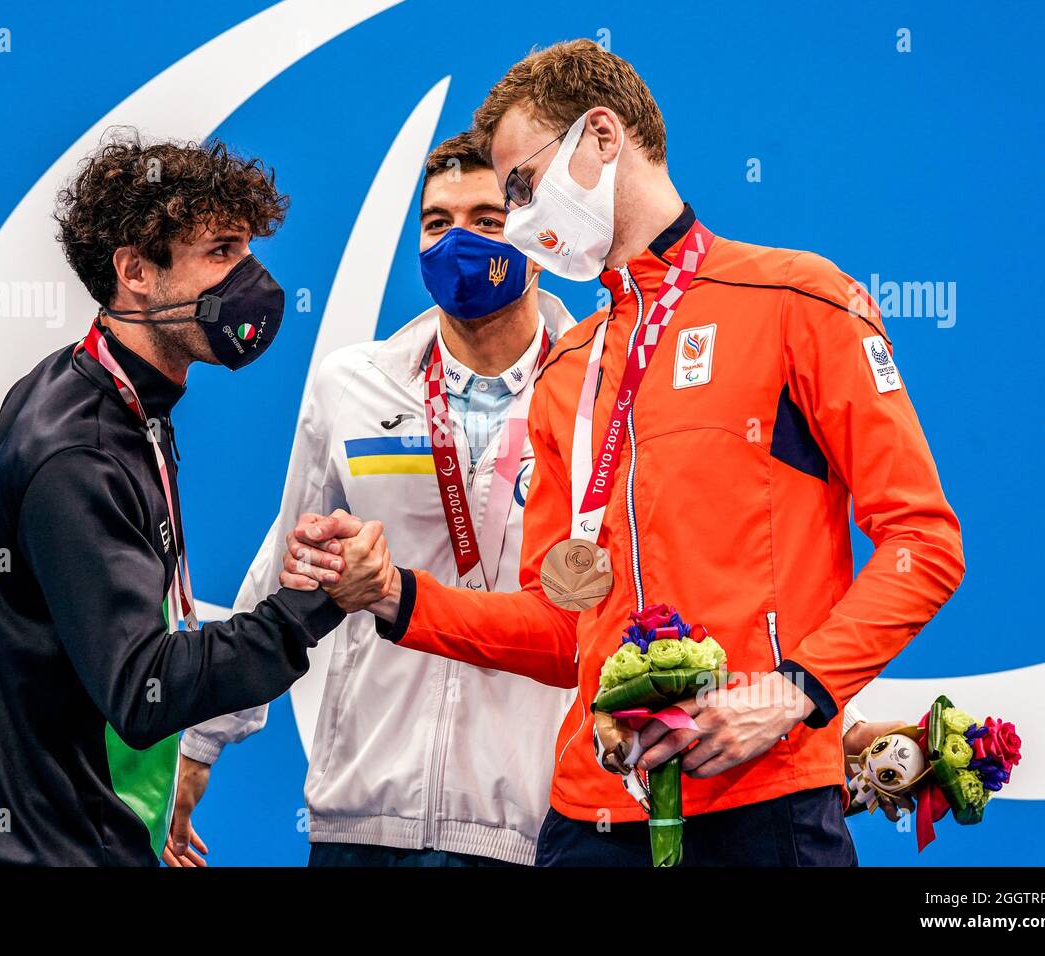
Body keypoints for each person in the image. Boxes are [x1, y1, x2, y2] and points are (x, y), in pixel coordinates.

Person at [286, 41, 965, 866]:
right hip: (587, 816)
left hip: (761, 799)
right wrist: (396, 596)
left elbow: (923, 543)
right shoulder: (571, 368)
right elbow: (560, 630)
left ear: (602, 137)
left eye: (523, 186)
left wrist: (796, 694)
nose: (524, 219)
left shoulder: (800, 299)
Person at [0, 133, 389, 866]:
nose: (252, 280)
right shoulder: (81, 449)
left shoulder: (99, 397)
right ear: (135, 272)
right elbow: (145, 688)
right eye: (220, 252)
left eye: (245, 250)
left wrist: (140, 808)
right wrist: (319, 602)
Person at [167, 133, 575, 867]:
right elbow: (288, 565)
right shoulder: (353, 386)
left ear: (540, 241)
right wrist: (198, 746)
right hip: (364, 821)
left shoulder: (600, 395)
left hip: (535, 827)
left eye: (487, 220)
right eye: (436, 222)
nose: (457, 242)